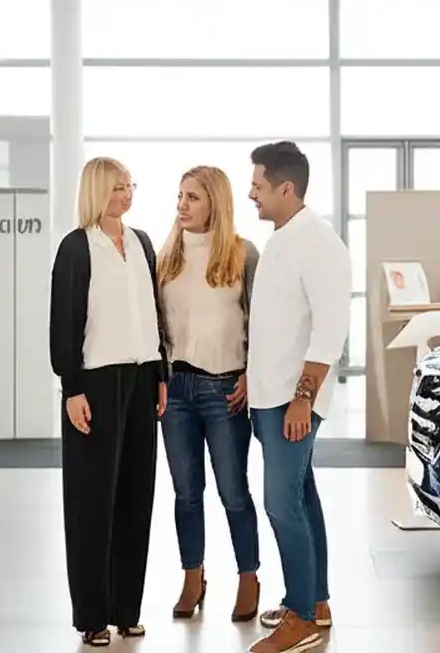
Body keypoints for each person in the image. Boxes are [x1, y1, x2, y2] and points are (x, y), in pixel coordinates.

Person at [48, 157, 168, 648]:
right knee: (91, 500)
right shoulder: (76, 248)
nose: (128, 194)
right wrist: (70, 387)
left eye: (130, 185)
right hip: (94, 384)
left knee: (136, 495)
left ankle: (126, 609)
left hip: (142, 377)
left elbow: (153, 314)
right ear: (98, 191)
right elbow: (64, 322)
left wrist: (160, 372)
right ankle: (92, 616)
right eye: (119, 187)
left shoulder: (141, 243)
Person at [244, 141, 350, 653]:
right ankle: (314, 600)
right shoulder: (283, 239)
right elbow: (275, 325)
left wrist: (303, 398)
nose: (251, 194)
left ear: (287, 188)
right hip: (268, 396)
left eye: (259, 186)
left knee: (281, 504)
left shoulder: (320, 243)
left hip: (293, 401)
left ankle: (302, 618)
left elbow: (330, 330)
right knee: (302, 498)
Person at [156, 166, 262, 621]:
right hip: (177, 388)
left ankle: (248, 577)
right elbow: (157, 328)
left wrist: (252, 373)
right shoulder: (165, 256)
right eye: (180, 196)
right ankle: (192, 576)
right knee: (185, 493)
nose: (182, 205)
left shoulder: (243, 254)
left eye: (193, 197)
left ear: (214, 203)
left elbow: (261, 320)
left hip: (226, 389)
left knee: (234, 491)